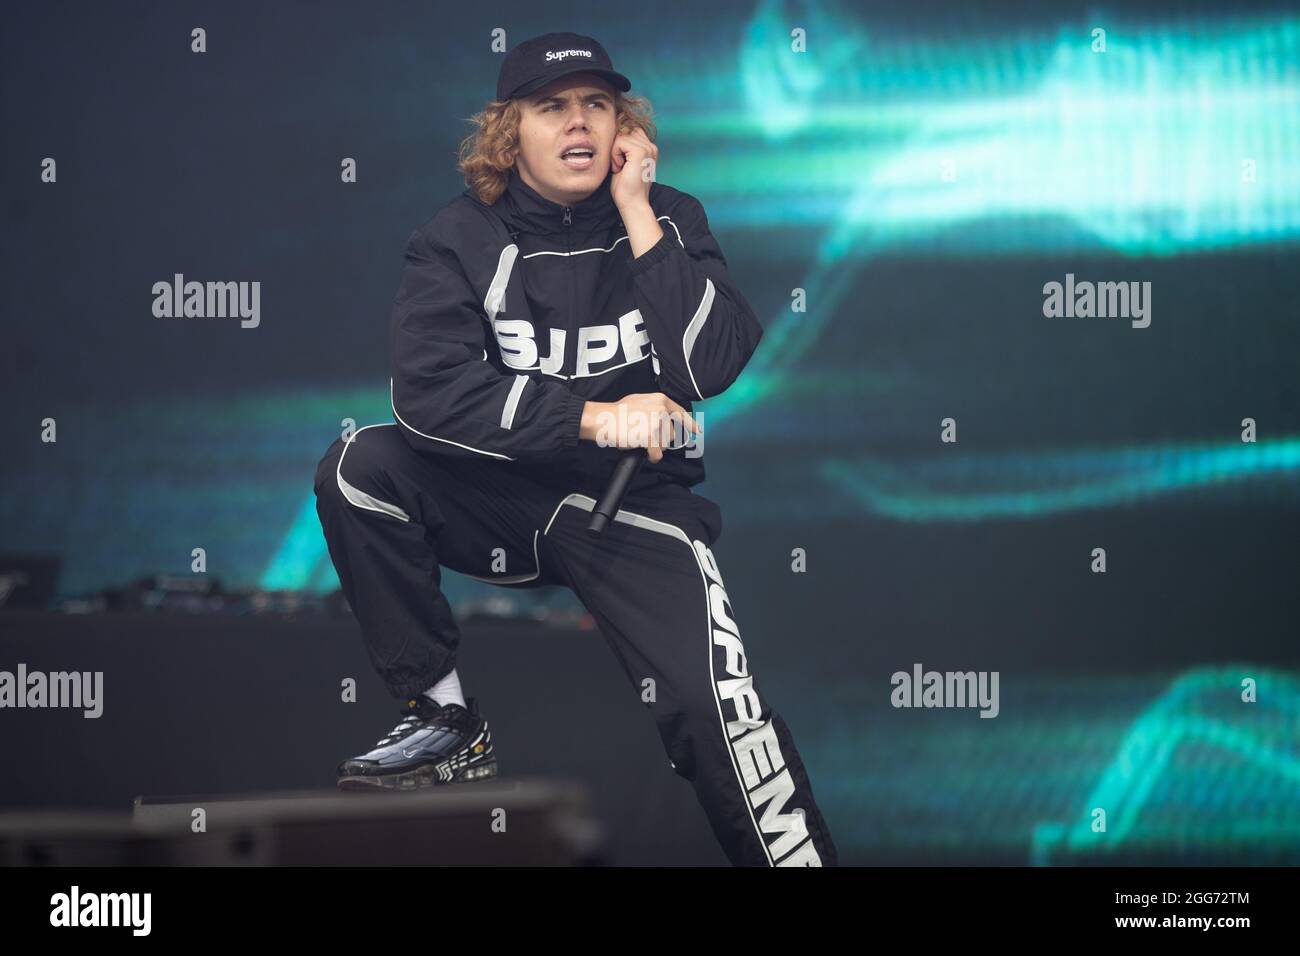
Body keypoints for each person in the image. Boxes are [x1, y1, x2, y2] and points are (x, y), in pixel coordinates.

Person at [313, 31, 838, 866]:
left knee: (717, 720)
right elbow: (430, 394)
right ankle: (445, 722)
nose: (579, 123)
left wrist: (638, 210)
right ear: (507, 131)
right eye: (551, 107)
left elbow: (713, 362)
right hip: (501, 498)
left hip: (635, 507)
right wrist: (599, 416)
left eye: (597, 104)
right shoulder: (457, 237)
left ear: (625, 124)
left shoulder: (670, 217)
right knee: (360, 468)